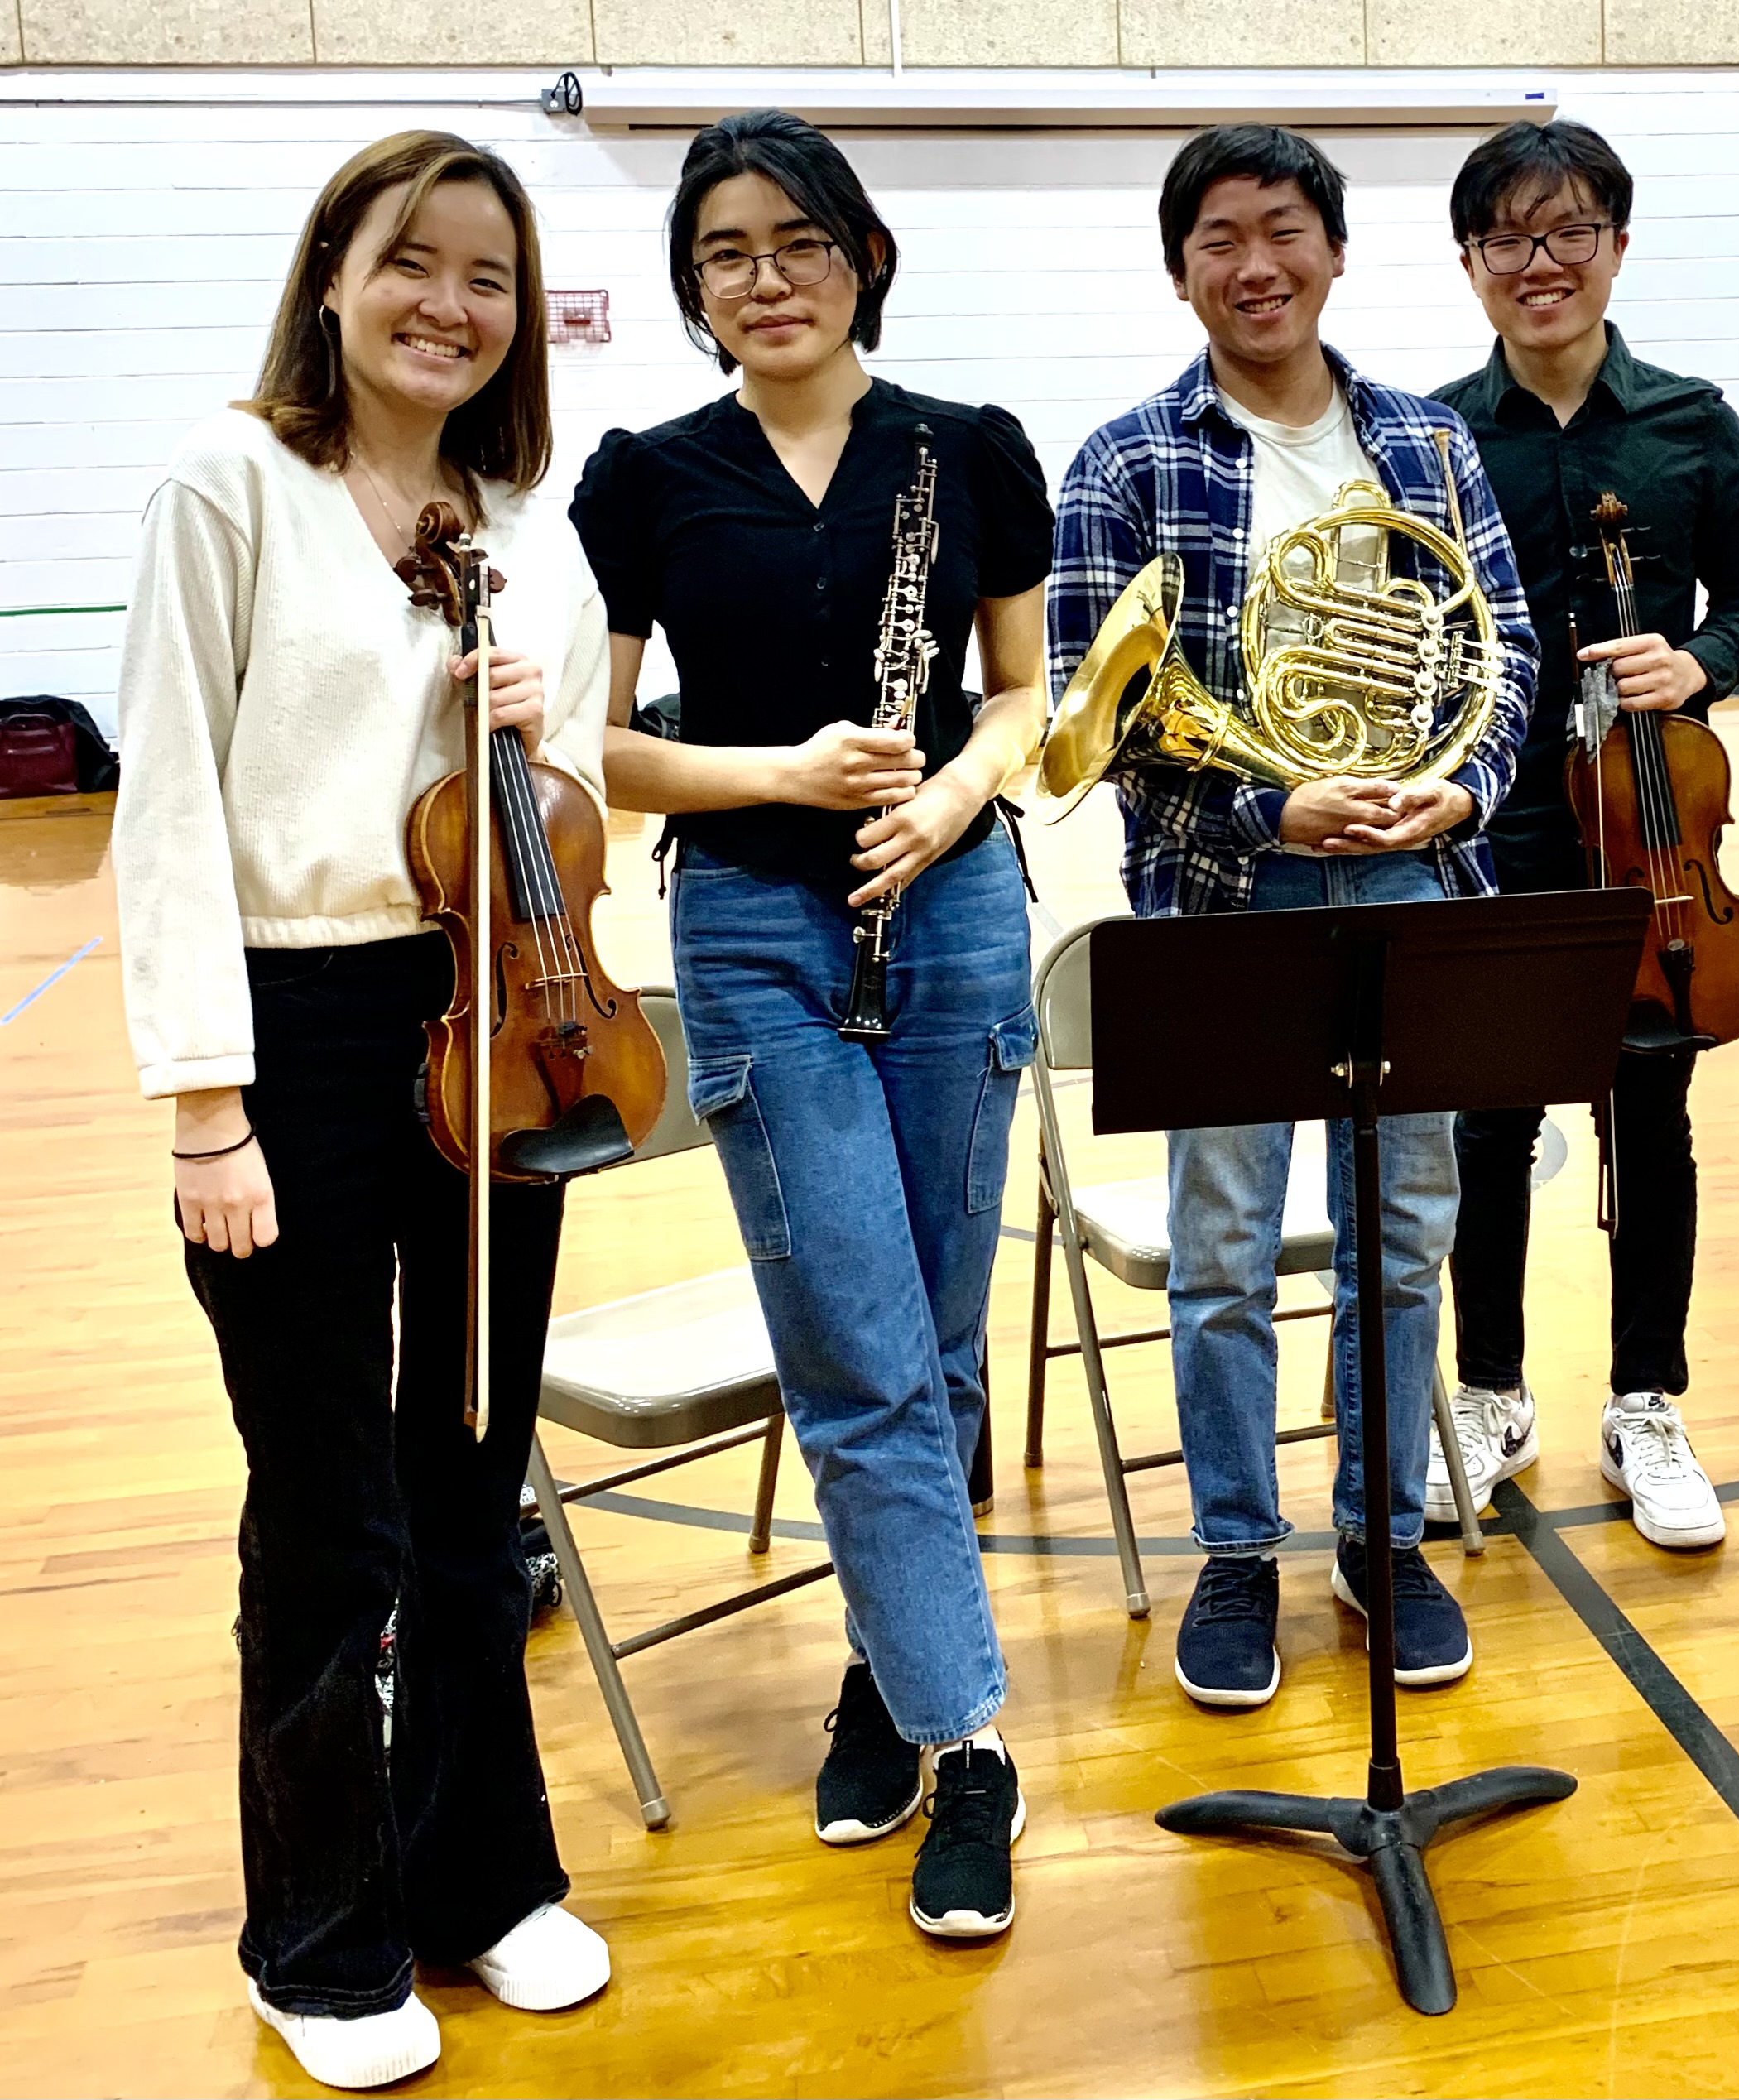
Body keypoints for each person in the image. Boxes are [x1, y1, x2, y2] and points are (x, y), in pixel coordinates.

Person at [113, 132, 613, 2091]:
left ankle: (478, 1878)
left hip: (491, 1008)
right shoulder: (231, 484)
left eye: (487, 277)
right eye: (415, 261)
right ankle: (315, 1941)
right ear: (337, 272)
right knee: (330, 1509)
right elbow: (163, 809)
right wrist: (202, 1111)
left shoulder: (517, 517)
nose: (450, 306)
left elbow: (554, 795)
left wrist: (532, 731)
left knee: (478, 1482)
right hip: (295, 1021)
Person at [569, 111, 1049, 1940]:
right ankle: (972, 1740)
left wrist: (945, 797)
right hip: (761, 922)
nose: (760, 279)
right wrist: (777, 770)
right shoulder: (647, 476)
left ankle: (879, 1665)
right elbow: (594, 751)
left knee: (930, 1326)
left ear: (858, 253)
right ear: (694, 289)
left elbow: (1020, 697)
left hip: (952, 899)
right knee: (860, 1348)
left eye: (794, 242)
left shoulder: (967, 452)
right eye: (722, 254)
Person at [1050, 124, 1537, 1710]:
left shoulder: (1430, 442)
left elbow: (1505, 649)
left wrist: (1455, 786)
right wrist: (1273, 802)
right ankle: (1238, 1551)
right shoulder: (1126, 459)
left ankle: (1378, 1535)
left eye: (1280, 232)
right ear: (1179, 267)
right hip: (1226, 888)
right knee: (1220, 1248)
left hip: (1410, 867)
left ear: (1333, 252)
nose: (1252, 265)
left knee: (1404, 1236)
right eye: (1216, 239)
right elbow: (1099, 713)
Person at [1431, 120, 1739, 1550]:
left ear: (1615, 247)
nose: (1540, 263)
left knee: (1655, 1118)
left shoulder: (1692, 422)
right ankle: (1489, 1387)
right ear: (1470, 265)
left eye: (1567, 231)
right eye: (1508, 240)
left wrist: (1695, 663)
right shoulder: (1434, 430)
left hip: (1653, 832)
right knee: (1488, 1116)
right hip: (1501, 824)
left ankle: (1645, 1397)